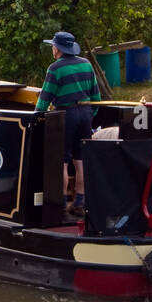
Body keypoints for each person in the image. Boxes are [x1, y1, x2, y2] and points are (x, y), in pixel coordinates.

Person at [35, 31, 100, 218]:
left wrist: (36, 118)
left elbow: (44, 99)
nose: (52, 49)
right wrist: (88, 115)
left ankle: (61, 204)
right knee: (80, 161)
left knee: (62, 161)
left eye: (53, 47)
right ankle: (80, 202)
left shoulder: (55, 69)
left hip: (65, 115)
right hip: (86, 114)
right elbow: (96, 97)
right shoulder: (86, 65)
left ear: (57, 49)